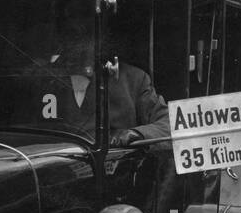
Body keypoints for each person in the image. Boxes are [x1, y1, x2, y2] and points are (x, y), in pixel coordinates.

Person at [13, 20, 169, 146]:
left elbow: (169, 124)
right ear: (60, 40)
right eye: (72, 35)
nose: (77, 46)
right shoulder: (39, 79)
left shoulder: (133, 80)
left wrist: (135, 135)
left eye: (86, 35)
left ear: (101, 40)